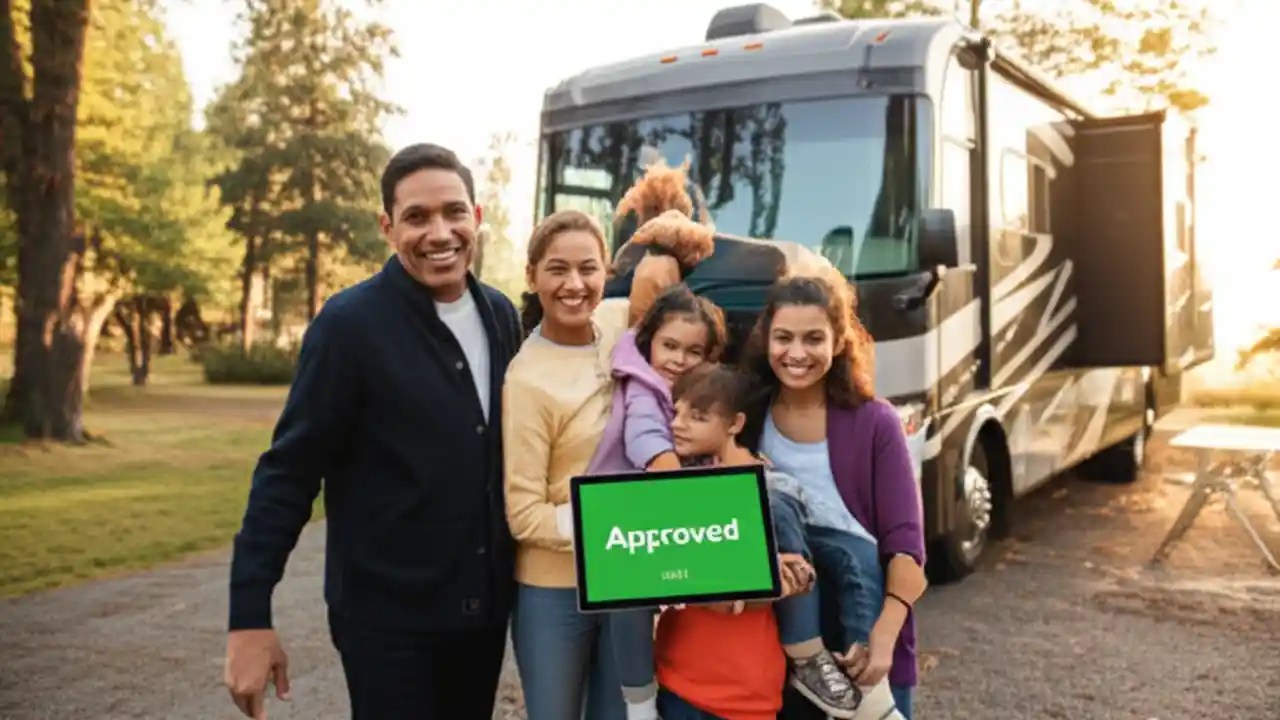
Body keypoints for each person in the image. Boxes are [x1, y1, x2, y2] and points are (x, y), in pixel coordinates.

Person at [222, 143, 522, 720]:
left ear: (476, 218)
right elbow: (288, 474)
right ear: (388, 228)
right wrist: (249, 617)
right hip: (387, 625)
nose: (440, 233)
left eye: (454, 212)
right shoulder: (349, 326)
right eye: (417, 217)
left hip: (480, 618)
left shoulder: (500, 315)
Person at [741, 272, 928, 720]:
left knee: (858, 552)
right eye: (784, 337)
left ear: (840, 340)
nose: (797, 353)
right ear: (766, 338)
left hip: (862, 626)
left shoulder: (875, 421)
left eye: (813, 339)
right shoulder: (746, 417)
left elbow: (907, 544)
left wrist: (884, 635)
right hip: (782, 634)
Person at [582, 283, 729, 720]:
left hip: (665, 515)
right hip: (630, 518)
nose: (678, 360)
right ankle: (640, 701)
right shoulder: (643, 384)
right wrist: (698, 512)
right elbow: (648, 444)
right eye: (670, 346)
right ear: (650, 343)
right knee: (631, 601)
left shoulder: (698, 392)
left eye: (693, 351)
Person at [650, 363, 819, 720]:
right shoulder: (674, 486)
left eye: (696, 416)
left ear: (735, 424)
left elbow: (797, 579)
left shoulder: (773, 492)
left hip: (746, 691)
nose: (678, 424)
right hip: (677, 680)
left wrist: (726, 587)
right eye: (676, 412)